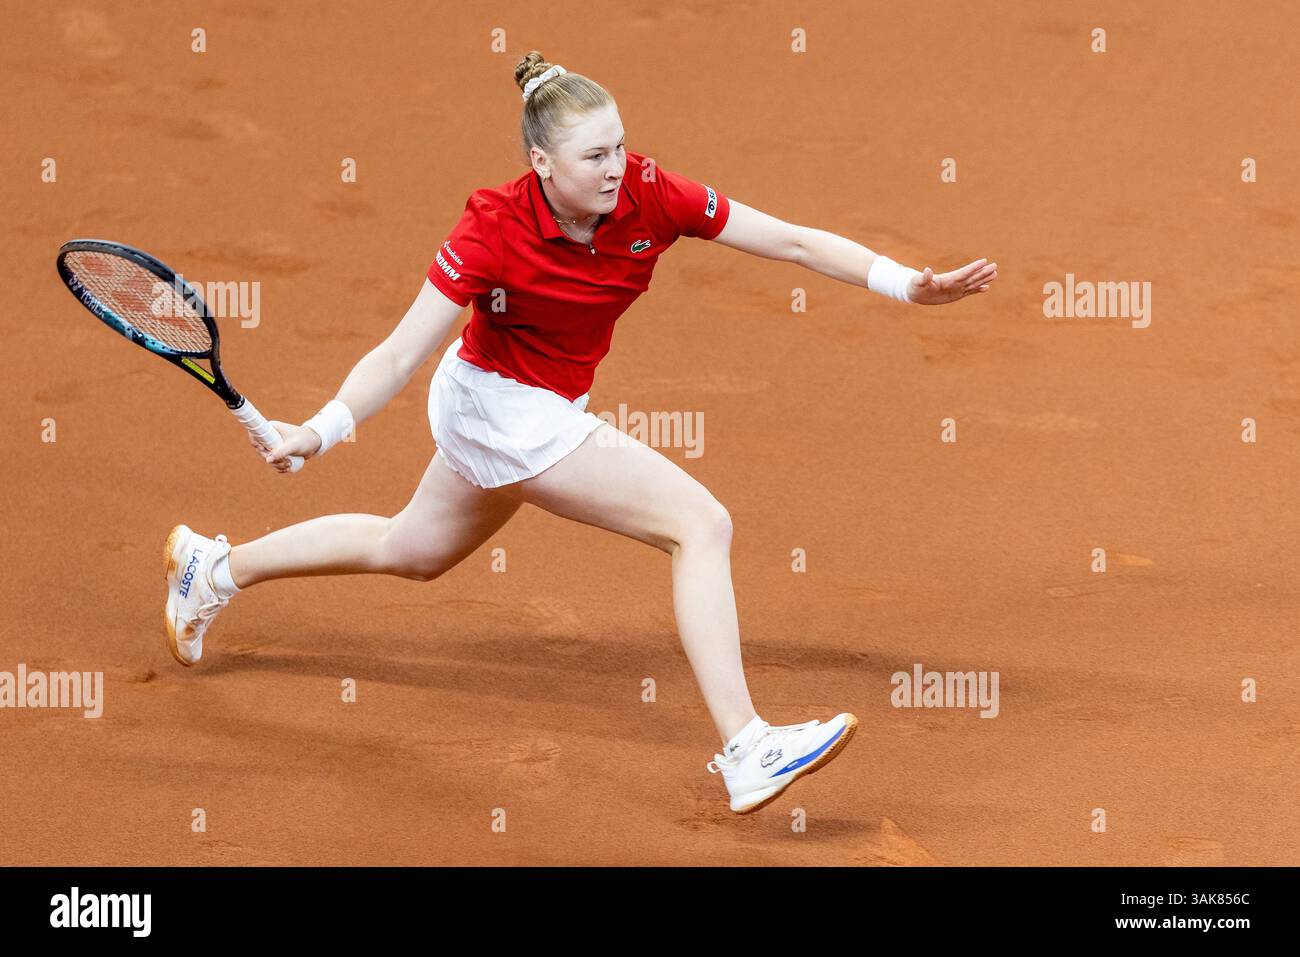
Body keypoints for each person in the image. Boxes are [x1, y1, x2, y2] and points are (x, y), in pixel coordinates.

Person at [163, 51, 998, 814]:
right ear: (541, 164)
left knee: (409, 549)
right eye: (594, 155)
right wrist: (319, 429)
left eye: (620, 147)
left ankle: (212, 569)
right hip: (495, 402)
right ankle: (746, 746)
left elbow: (789, 239)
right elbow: (398, 352)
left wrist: (904, 284)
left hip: (529, 408)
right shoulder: (490, 227)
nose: (616, 168)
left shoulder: (650, 192)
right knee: (699, 523)